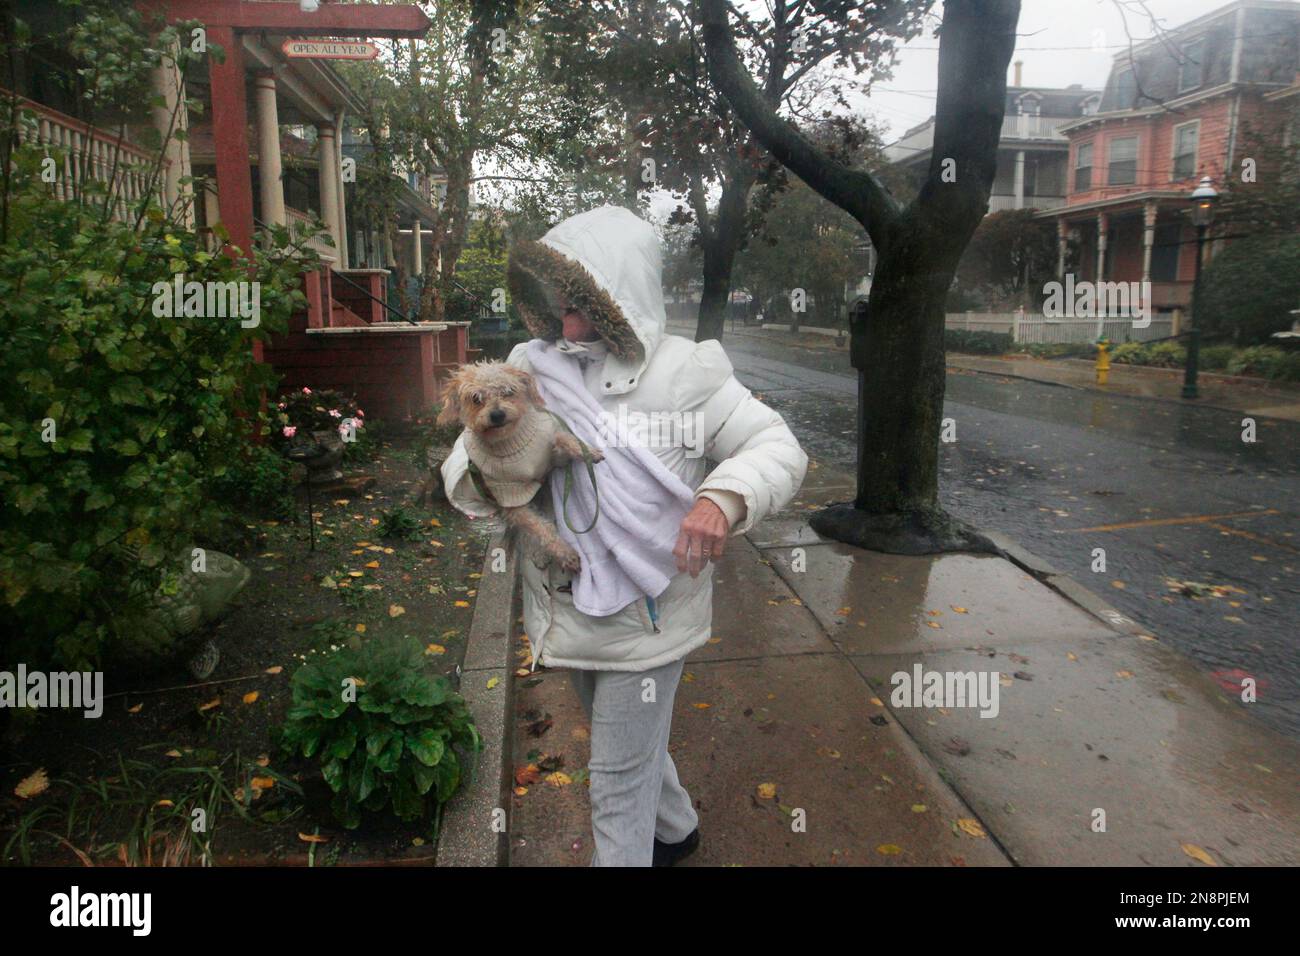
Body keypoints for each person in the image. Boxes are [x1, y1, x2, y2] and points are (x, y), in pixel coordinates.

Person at [442, 205, 806, 866]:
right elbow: (465, 464)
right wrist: (489, 464)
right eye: (558, 307)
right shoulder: (530, 368)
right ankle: (676, 828)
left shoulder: (687, 373)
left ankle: (642, 841)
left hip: (650, 612)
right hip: (568, 601)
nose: (569, 325)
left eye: (583, 307)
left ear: (620, 300)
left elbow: (776, 446)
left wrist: (723, 497)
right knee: (629, 745)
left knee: (613, 776)